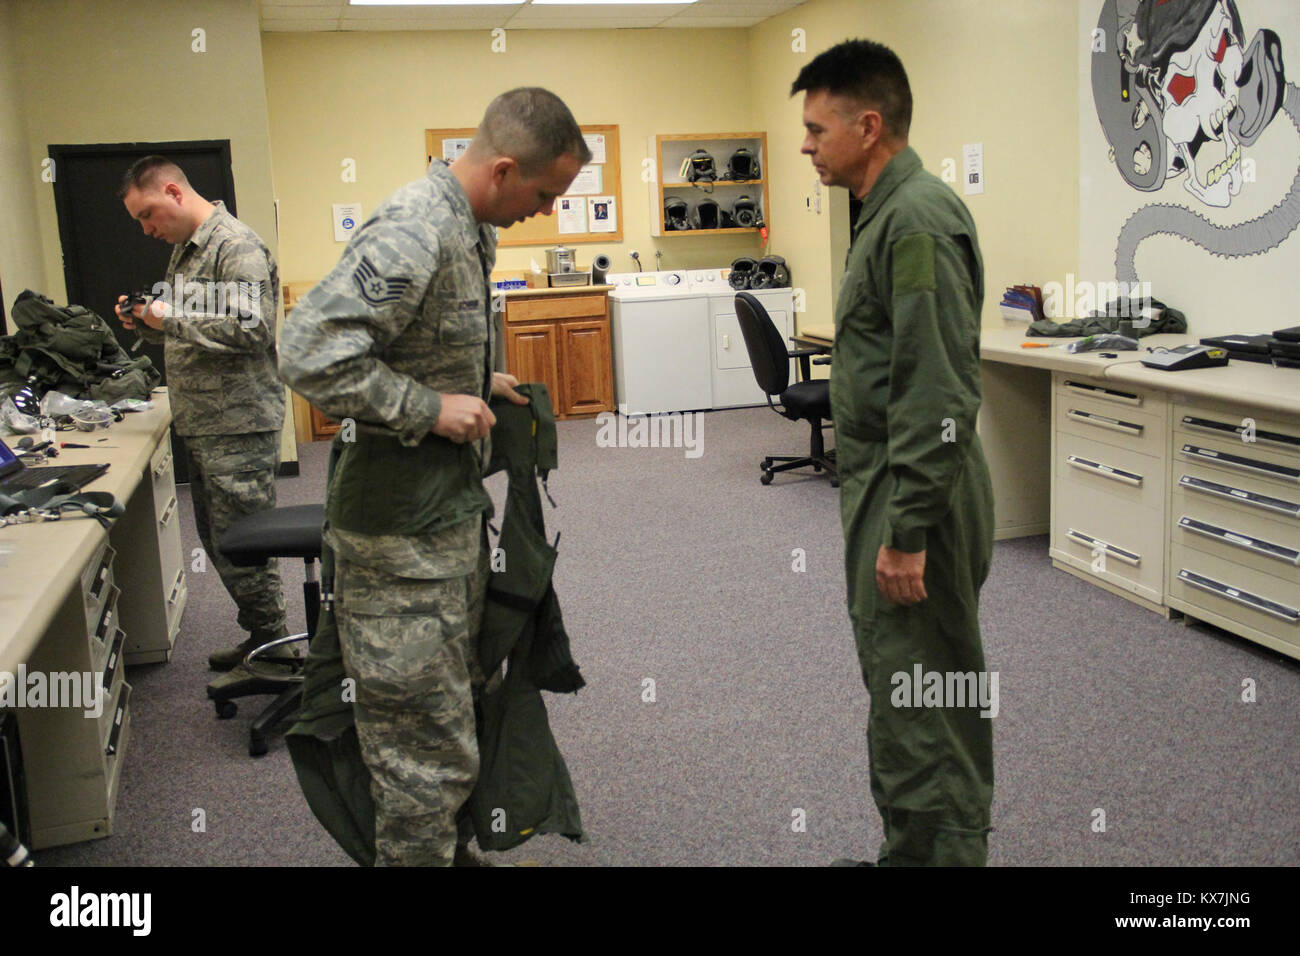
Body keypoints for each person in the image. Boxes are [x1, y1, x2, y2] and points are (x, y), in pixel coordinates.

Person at [278, 87, 588, 866]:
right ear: (506, 167)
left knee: (454, 720)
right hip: (395, 545)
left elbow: (406, 340)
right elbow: (307, 351)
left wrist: (477, 381)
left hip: (443, 523)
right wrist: (425, 406)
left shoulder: (470, 226)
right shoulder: (417, 227)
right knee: (420, 755)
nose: (545, 212)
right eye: (544, 195)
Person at [792, 40, 996, 866]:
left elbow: (937, 393)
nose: (806, 145)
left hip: (917, 493)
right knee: (899, 680)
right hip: (888, 479)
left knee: (926, 693)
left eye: (816, 129)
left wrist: (909, 529)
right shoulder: (883, 212)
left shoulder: (915, 219)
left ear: (868, 126)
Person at [116, 156, 288, 672]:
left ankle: (278, 650)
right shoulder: (186, 251)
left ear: (172, 191)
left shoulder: (235, 246)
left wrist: (169, 315)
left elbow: (253, 328)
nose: (147, 229)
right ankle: (263, 636)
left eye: (148, 214)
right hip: (207, 423)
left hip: (238, 424)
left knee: (247, 547)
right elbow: (201, 327)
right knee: (221, 543)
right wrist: (148, 319)